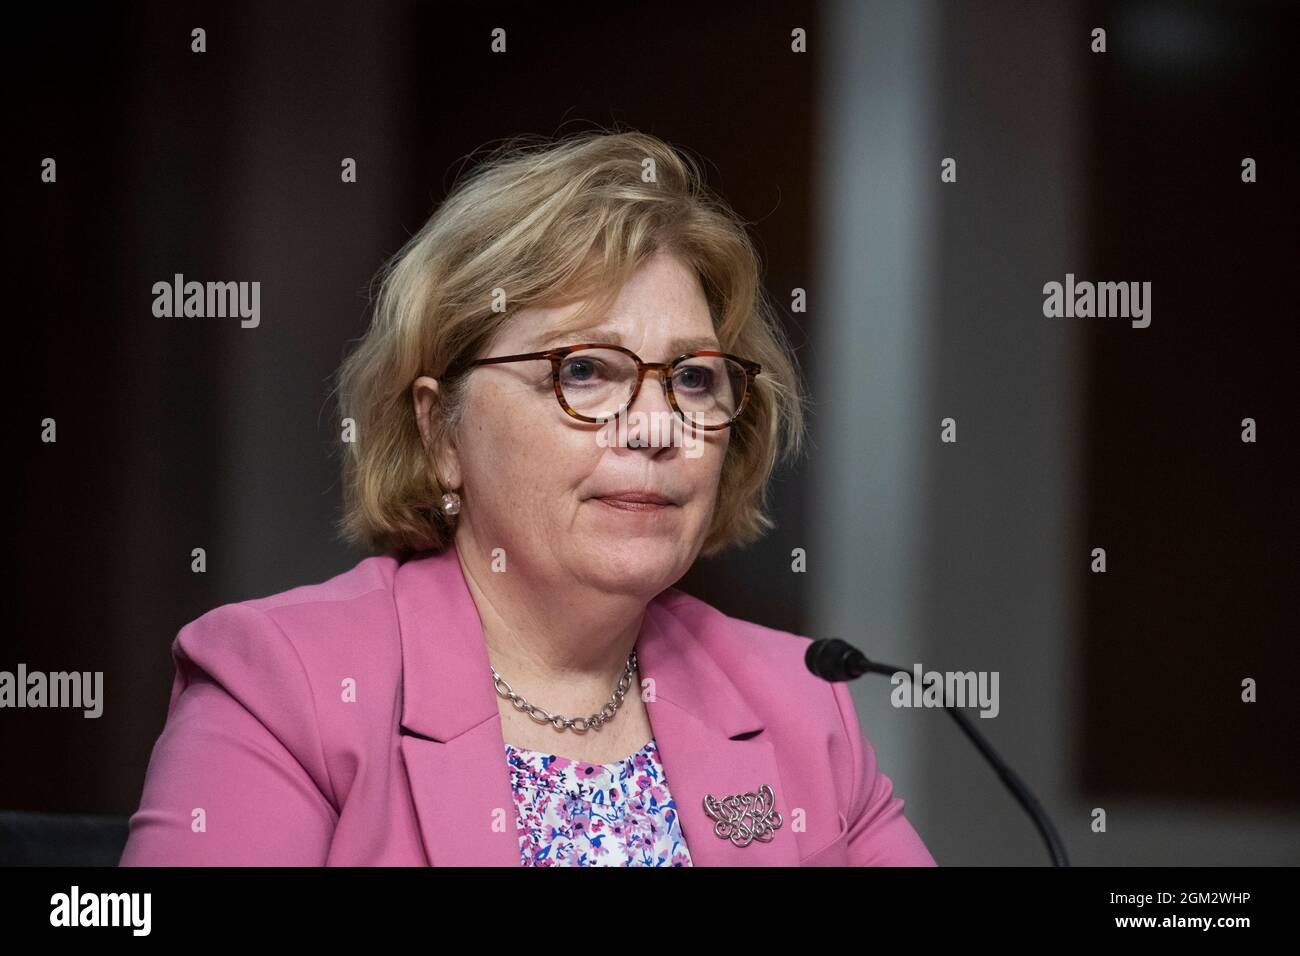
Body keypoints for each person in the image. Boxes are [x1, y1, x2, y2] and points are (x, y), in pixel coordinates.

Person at [118, 129, 936, 867]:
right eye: (584, 370)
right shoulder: (287, 687)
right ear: (442, 432)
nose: (657, 427)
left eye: (692, 378)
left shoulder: (801, 703)